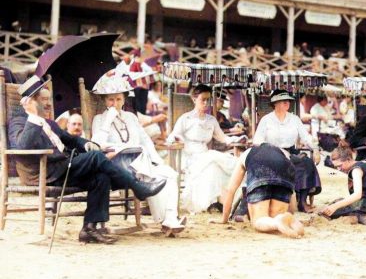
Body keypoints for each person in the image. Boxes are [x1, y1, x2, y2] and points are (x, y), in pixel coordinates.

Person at [8, 76, 166, 244]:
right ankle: (137, 187)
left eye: (49, 99)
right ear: (30, 102)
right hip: (44, 171)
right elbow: (23, 146)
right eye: (44, 100)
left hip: (63, 167)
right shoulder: (18, 122)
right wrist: (33, 116)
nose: (48, 104)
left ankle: (89, 229)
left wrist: (89, 144)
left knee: (101, 177)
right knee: (97, 158)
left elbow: (72, 139)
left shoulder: (49, 123)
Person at [90, 73, 186, 235]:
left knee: (170, 174)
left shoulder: (131, 117)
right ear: (105, 100)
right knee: (153, 176)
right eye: (111, 100)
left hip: (140, 162)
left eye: (118, 99)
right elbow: (97, 143)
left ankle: (169, 218)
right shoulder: (99, 119)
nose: (115, 103)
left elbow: (146, 141)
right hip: (117, 165)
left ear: (124, 100)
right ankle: (165, 220)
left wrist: (157, 161)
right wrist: (108, 120)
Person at [167, 84, 239, 214]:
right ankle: (207, 203)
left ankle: (219, 202)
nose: (206, 103)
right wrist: (178, 139)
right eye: (203, 100)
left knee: (214, 166)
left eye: (208, 100)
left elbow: (223, 138)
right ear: (194, 100)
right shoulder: (186, 118)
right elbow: (173, 135)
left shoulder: (211, 120)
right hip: (190, 156)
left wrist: (237, 139)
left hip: (205, 154)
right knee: (214, 160)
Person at [253, 89, 321, 213]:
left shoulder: (294, 119)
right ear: (275, 103)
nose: (287, 104)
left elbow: (306, 137)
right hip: (271, 153)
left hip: (290, 152)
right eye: (284, 101)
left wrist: (315, 149)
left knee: (306, 163)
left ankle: (302, 201)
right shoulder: (266, 120)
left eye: (288, 101)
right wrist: (269, 149)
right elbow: (257, 140)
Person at [218, 143, 304, 238]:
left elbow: (231, 191)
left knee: (260, 220)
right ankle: (289, 223)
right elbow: (291, 192)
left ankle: (277, 222)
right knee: (275, 217)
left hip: (259, 169)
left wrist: (224, 219)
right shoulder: (283, 153)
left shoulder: (246, 154)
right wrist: (290, 213)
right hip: (284, 170)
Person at [320, 141, 366, 225]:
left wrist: (335, 206)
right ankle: (360, 215)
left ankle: (362, 216)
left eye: (339, 166)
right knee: (338, 202)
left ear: (348, 160)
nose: (339, 170)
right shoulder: (363, 163)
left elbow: (357, 195)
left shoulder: (356, 170)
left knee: (331, 210)